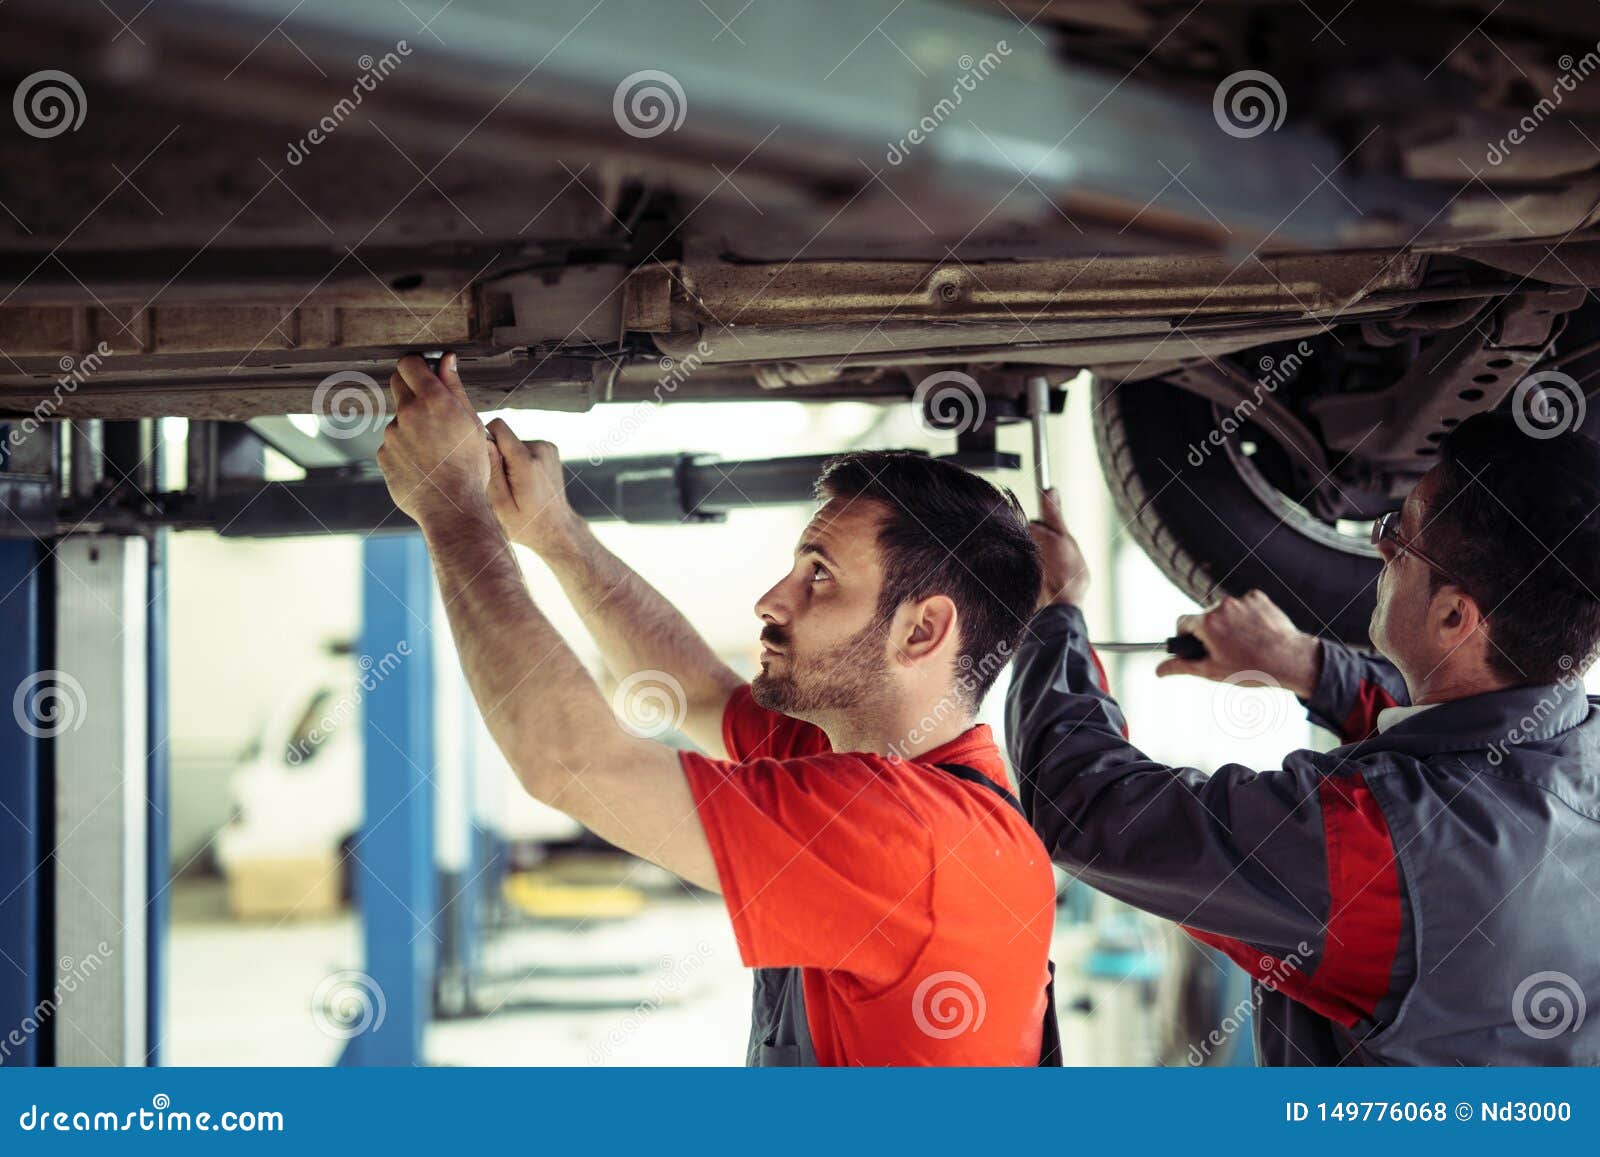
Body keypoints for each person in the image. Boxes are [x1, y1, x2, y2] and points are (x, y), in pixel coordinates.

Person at [374, 354, 1057, 1066]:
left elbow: (571, 762)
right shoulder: (854, 760)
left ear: (922, 630)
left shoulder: (912, 837)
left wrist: (450, 507)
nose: (772, 598)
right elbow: (692, 690)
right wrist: (556, 535)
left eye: (818, 576)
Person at [1009, 411, 1600, 1065]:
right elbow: (1460, 744)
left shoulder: (1375, 860)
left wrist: (1054, 612)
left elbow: (1085, 806)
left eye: (1397, 536)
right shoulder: (1578, 739)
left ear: (1455, 614)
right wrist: (1303, 663)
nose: (1380, 550)